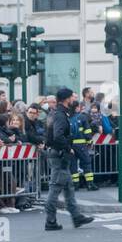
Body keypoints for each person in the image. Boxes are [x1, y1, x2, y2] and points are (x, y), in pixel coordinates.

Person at [42, 88, 95, 231]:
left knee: (69, 187)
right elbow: (58, 135)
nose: (74, 99)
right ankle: (50, 221)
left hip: (60, 155)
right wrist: (68, 148)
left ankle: (76, 217)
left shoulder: (60, 113)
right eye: (72, 97)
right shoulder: (59, 114)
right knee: (55, 189)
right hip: (59, 155)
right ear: (66, 99)